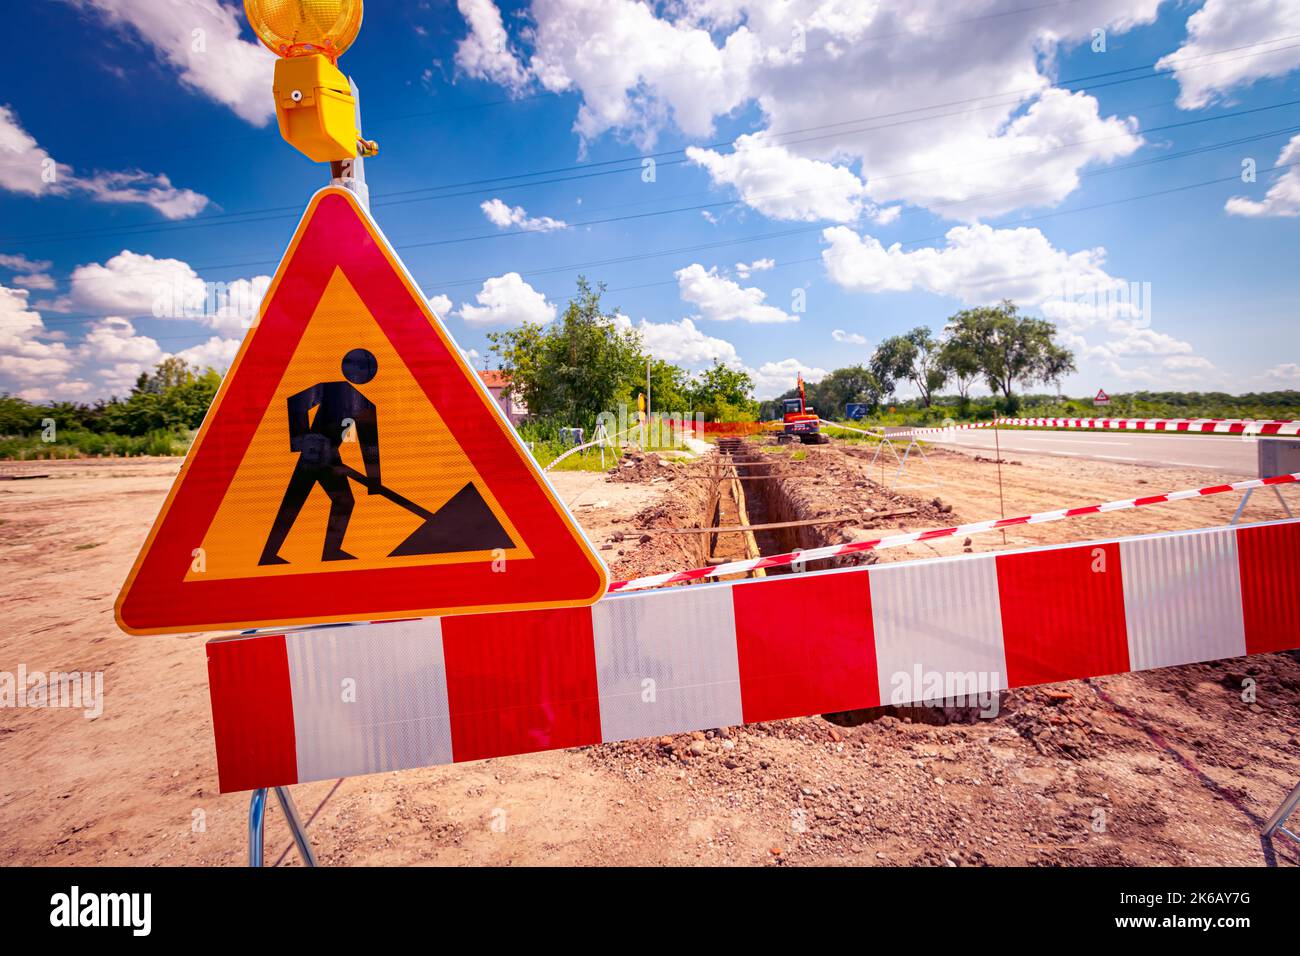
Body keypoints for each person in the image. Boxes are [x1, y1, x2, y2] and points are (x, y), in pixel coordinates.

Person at [259, 348, 380, 565]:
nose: (361, 372)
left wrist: (374, 481)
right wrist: (304, 440)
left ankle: (327, 553)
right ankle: (270, 554)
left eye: (366, 368)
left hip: (330, 457)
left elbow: (370, 444)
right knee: (296, 503)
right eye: (358, 366)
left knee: (335, 501)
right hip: (312, 456)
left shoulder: (365, 403)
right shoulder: (335, 389)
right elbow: (296, 403)